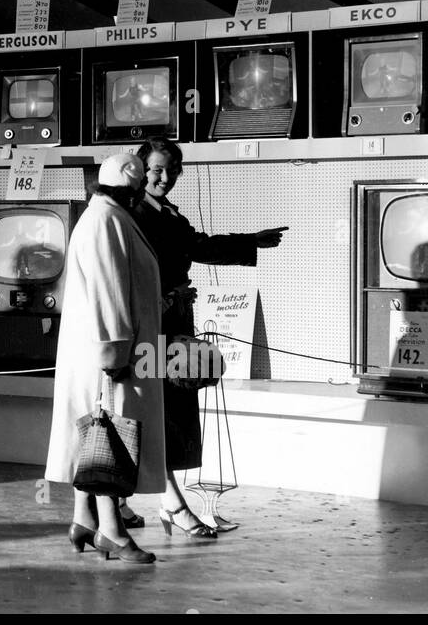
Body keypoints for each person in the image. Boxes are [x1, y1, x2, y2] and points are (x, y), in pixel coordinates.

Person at [134, 136, 285, 536]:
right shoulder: (134, 215)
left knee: (169, 408)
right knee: (159, 411)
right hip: (151, 323)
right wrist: (166, 297)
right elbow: (126, 277)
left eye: (173, 170)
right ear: (139, 170)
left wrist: (252, 240)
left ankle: (118, 502)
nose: (166, 178)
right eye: (157, 170)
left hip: (175, 320)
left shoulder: (165, 213)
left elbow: (197, 245)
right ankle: (172, 506)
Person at [45, 152, 165, 565]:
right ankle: (111, 531)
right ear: (130, 191)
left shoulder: (103, 215)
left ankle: (83, 519)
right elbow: (109, 291)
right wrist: (115, 354)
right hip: (111, 354)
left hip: (99, 349)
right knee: (111, 437)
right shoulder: (108, 221)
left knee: (93, 435)